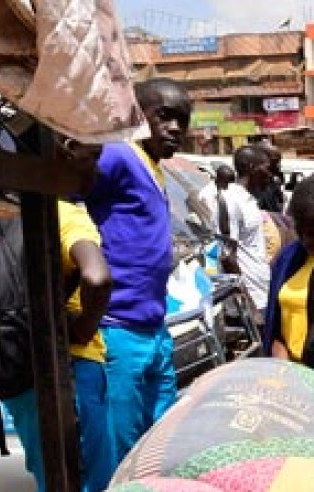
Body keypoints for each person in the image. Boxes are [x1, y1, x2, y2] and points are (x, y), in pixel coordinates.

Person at [80, 77, 192, 462]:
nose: (175, 128)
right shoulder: (118, 154)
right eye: (164, 116)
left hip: (154, 329)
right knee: (119, 453)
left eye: (183, 120)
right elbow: (67, 197)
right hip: (118, 328)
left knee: (156, 446)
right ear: (136, 114)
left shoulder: (153, 167)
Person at [3, 201, 113, 492]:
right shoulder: (61, 213)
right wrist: (82, 329)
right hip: (72, 370)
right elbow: (97, 276)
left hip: (18, 369)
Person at [263, 178, 314, 361]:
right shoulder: (287, 261)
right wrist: (284, 367)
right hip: (291, 376)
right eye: (300, 232)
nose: (307, 240)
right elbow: (275, 329)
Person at [223, 145, 273, 315]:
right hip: (250, 302)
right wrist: (247, 303)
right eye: (266, 168)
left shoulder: (248, 200)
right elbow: (227, 255)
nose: (270, 174)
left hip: (262, 293)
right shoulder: (231, 200)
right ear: (252, 168)